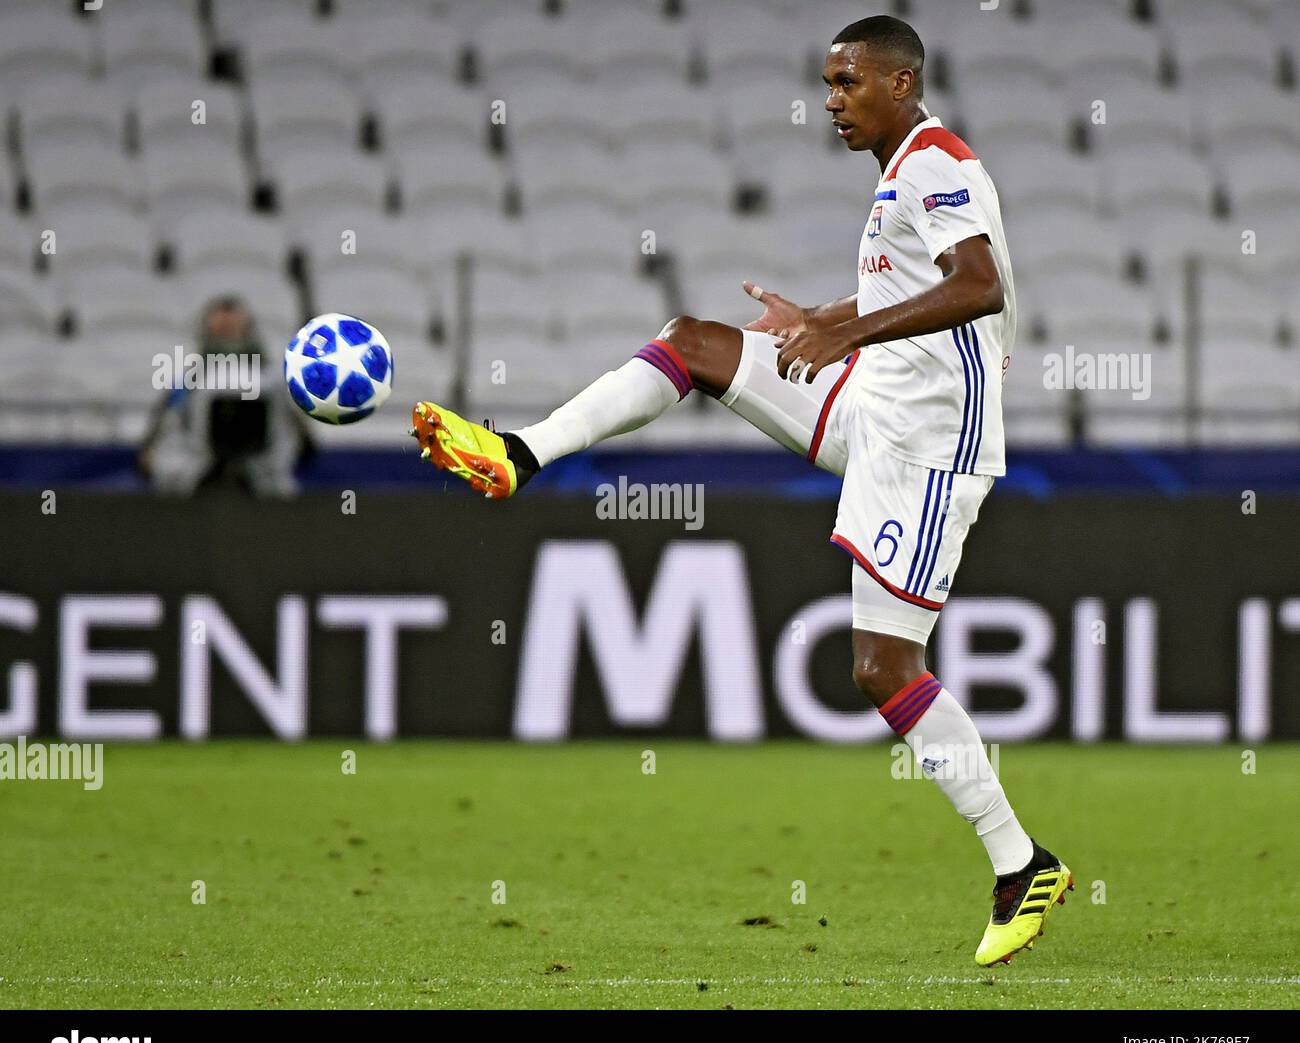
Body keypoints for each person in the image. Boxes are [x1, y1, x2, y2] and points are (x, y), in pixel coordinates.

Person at [408, 15, 1072, 965]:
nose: (832, 100)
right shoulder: (906, 170)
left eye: (849, 83)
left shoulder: (936, 161)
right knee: (694, 343)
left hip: (929, 446)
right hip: (870, 401)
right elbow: (922, 286)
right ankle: (521, 452)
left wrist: (841, 337)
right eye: (829, 83)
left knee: (883, 670)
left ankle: (1022, 864)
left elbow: (979, 287)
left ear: (902, 80)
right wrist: (824, 317)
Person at [140, 297, 312, 497]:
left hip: (265, 484)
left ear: (247, 330)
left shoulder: (273, 382)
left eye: (234, 327)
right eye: (222, 328)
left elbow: (301, 440)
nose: (228, 333)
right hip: (197, 484)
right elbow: (156, 442)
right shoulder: (188, 381)